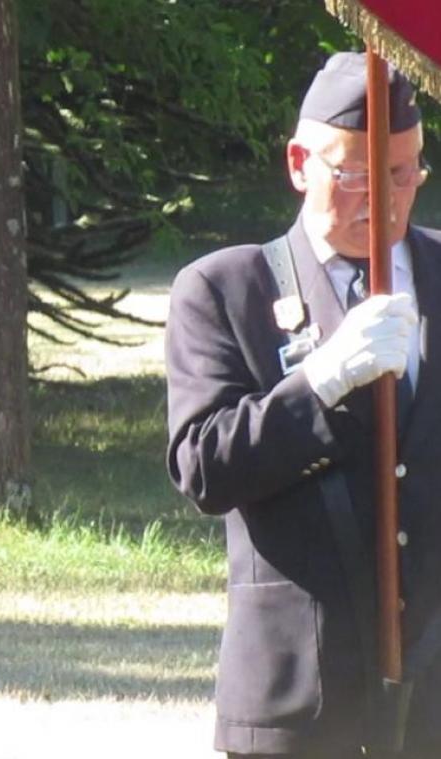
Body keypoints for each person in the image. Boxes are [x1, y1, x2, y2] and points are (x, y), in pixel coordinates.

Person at [166, 52, 441, 757]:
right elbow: (204, 467)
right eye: (354, 175)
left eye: (403, 174)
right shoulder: (227, 289)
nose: (383, 200)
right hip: (301, 692)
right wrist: (321, 380)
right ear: (299, 164)